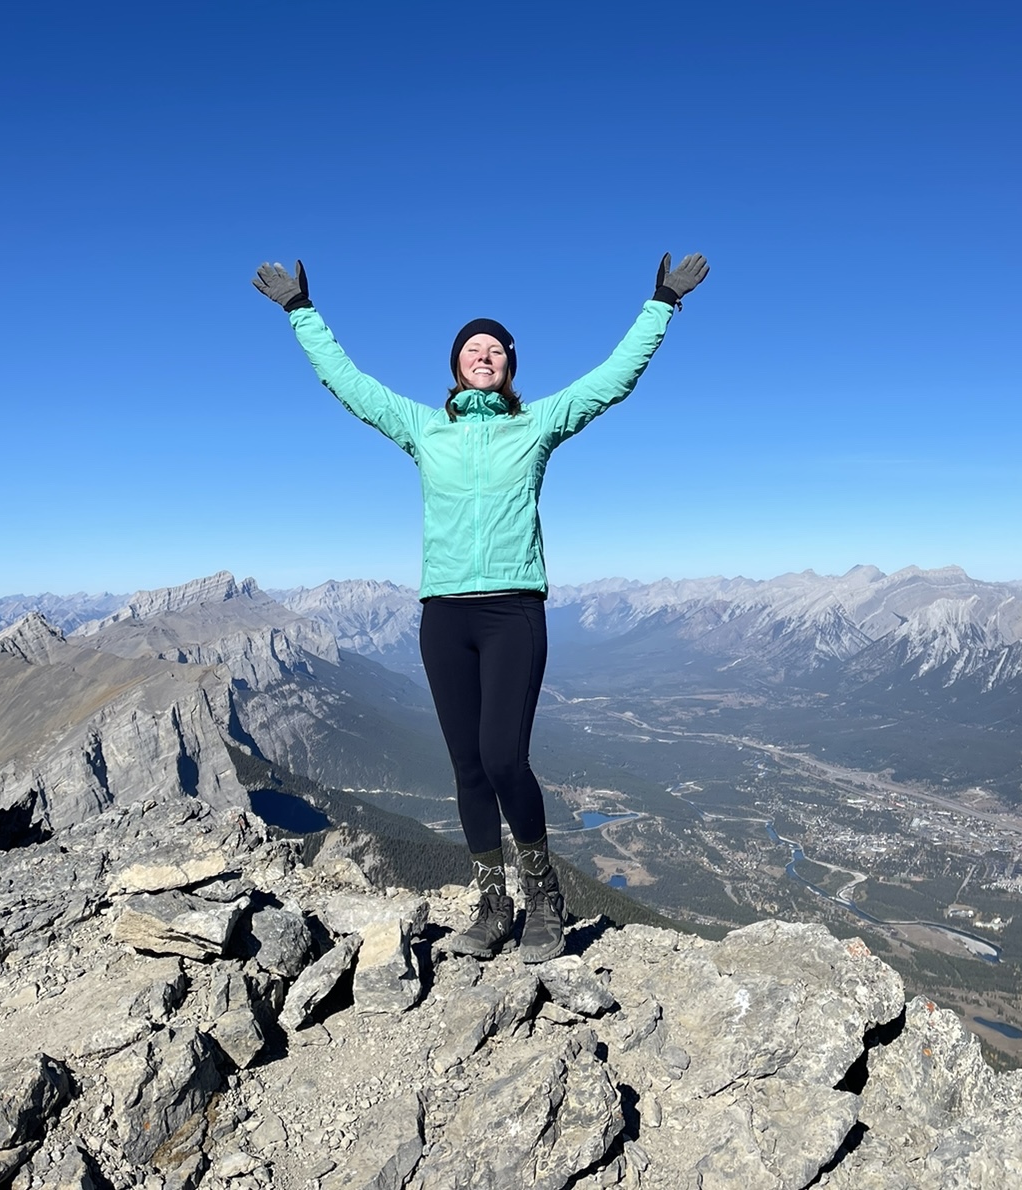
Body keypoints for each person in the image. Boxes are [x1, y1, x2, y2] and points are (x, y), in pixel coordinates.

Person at [252, 251, 709, 962]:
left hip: (511, 613)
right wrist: (301, 312)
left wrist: (661, 304)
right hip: (444, 618)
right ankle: (491, 907)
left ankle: (545, 902)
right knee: (466, 767)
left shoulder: (538, 425)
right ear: (456, 366)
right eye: (473, 348)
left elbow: (612, 380)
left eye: (495, 349)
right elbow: (349, 385)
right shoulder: (422, 428)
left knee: (503, 757)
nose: (484, 355)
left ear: (509, 366)